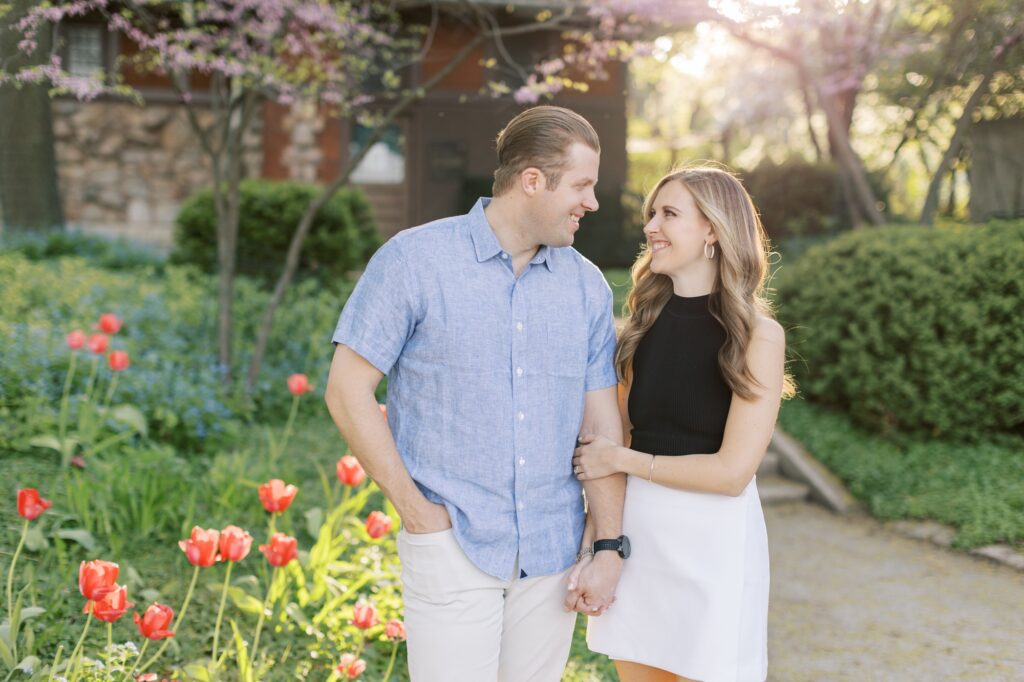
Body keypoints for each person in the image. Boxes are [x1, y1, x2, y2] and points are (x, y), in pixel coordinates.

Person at [324, 105, 626, 682]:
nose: (592, 202)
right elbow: (347, 391)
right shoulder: (413, 261)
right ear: (532, 181)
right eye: (582, 186)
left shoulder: (586, 287)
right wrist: (417, 513)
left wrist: (607, 542)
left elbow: (602, 428)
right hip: (452, 542)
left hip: (552, 548)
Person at [574, 165, 793, 682]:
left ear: (713, 228)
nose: (651, 226)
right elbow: (617, 434)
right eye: (652, 213)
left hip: (712, 545)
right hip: (639, 536)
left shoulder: (758, 336)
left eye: (669, 214)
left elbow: (731, 473)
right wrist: (595, 543)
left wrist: (624, 460)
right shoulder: (637, 328)